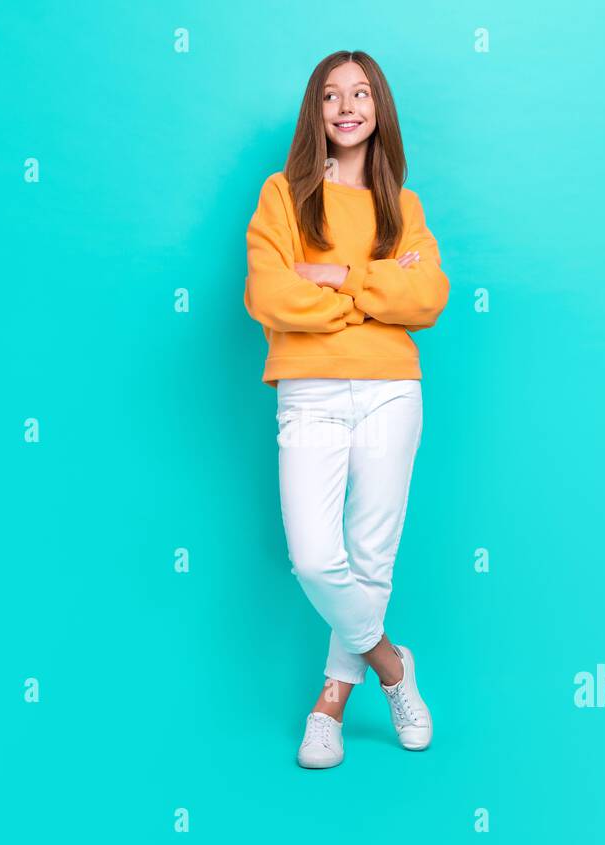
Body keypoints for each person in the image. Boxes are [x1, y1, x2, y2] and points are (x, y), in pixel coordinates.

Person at [243, 50, 450, 769]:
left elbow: (426, 300)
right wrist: (374, 295)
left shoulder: (404, 207)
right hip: (312, 389)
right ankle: (394, 668)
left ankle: (329, 705)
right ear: (316, 112)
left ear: (379, 108)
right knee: (312, 557)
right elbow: (269, 296)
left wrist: (335, 277)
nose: (347, 107)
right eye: (331, 96)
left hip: (393, 390)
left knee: (370, 559)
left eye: (361, 94)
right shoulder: (284, 196)